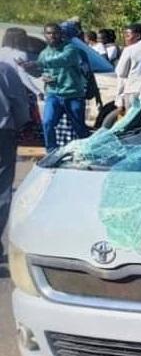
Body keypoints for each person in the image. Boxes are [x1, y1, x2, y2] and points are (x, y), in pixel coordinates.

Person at [30, 23, 90, 151]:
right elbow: (40, 71)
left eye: (55, 33)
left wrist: (37, 63)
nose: (52, 36)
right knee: (47, 122)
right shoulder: (44, 53)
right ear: (45, 35)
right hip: (53, 94)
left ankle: (86, 151)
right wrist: (30, 69)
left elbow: (62, 59)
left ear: (61, 34)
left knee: (79, 127)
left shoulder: (70, 49)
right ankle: (51, 150)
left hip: (73, 94)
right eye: (49, 33)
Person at [0, 61, 31, 261]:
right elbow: (19, 102)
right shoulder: (4, 69)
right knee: (2, 188)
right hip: (3, 133)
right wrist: (20, 125)